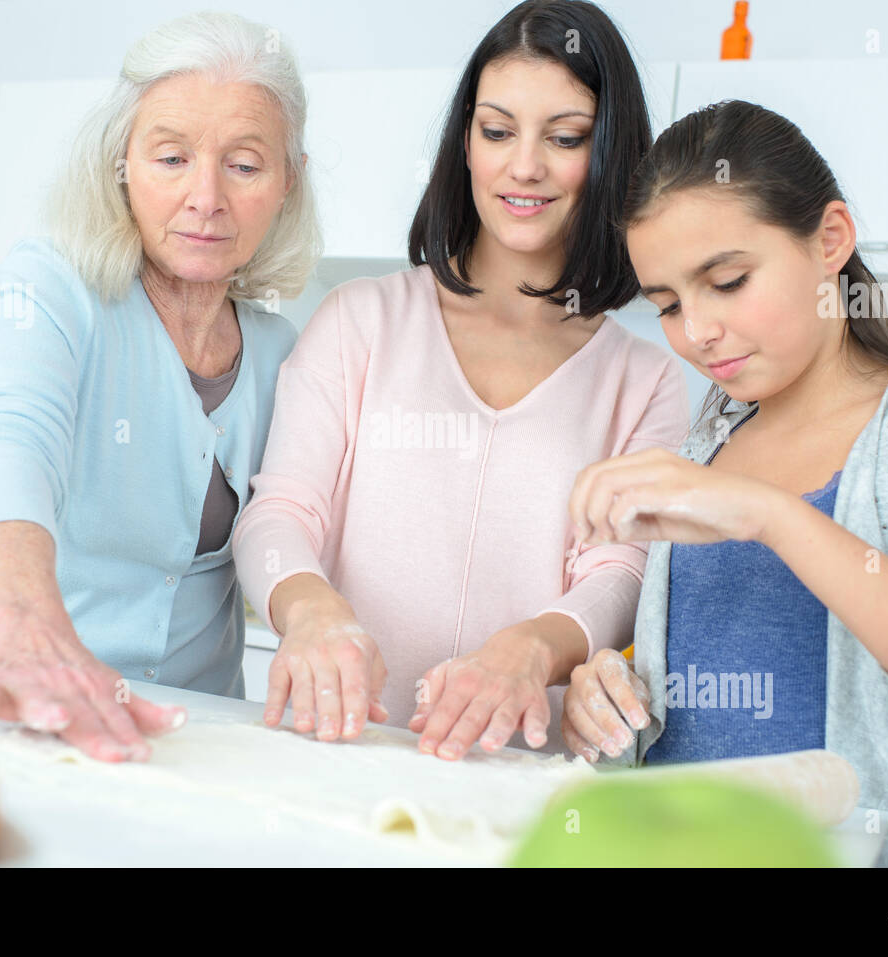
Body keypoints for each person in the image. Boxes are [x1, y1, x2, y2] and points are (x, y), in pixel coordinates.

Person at [562, 99, 888, 822]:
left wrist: (773, 515)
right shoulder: (704, 448)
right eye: (668, 303)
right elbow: (686, 721)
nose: (699, 332)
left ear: (830, 239)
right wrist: (609, 698)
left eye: (730, 280)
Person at [233, 0, 688, 759]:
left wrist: (532, 648)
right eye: (498, 130)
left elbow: (622, 574)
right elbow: (280, 510)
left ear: (610, 155)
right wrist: (309, 608)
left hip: (515, 773)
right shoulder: (359, 321)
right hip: (336, 748)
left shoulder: (642, 378)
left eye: (566, 137)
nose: (524, 166)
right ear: (466, 145)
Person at [0, 11, 319, 762]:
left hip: (197, 744)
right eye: (171, 157)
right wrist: (21, 623)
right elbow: (4, 434)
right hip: (31, 712)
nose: (205, 196)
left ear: (287, 182)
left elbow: (302, 527)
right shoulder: (53, 287)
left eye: (244, 165)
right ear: (122, 162)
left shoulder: (283, 352)